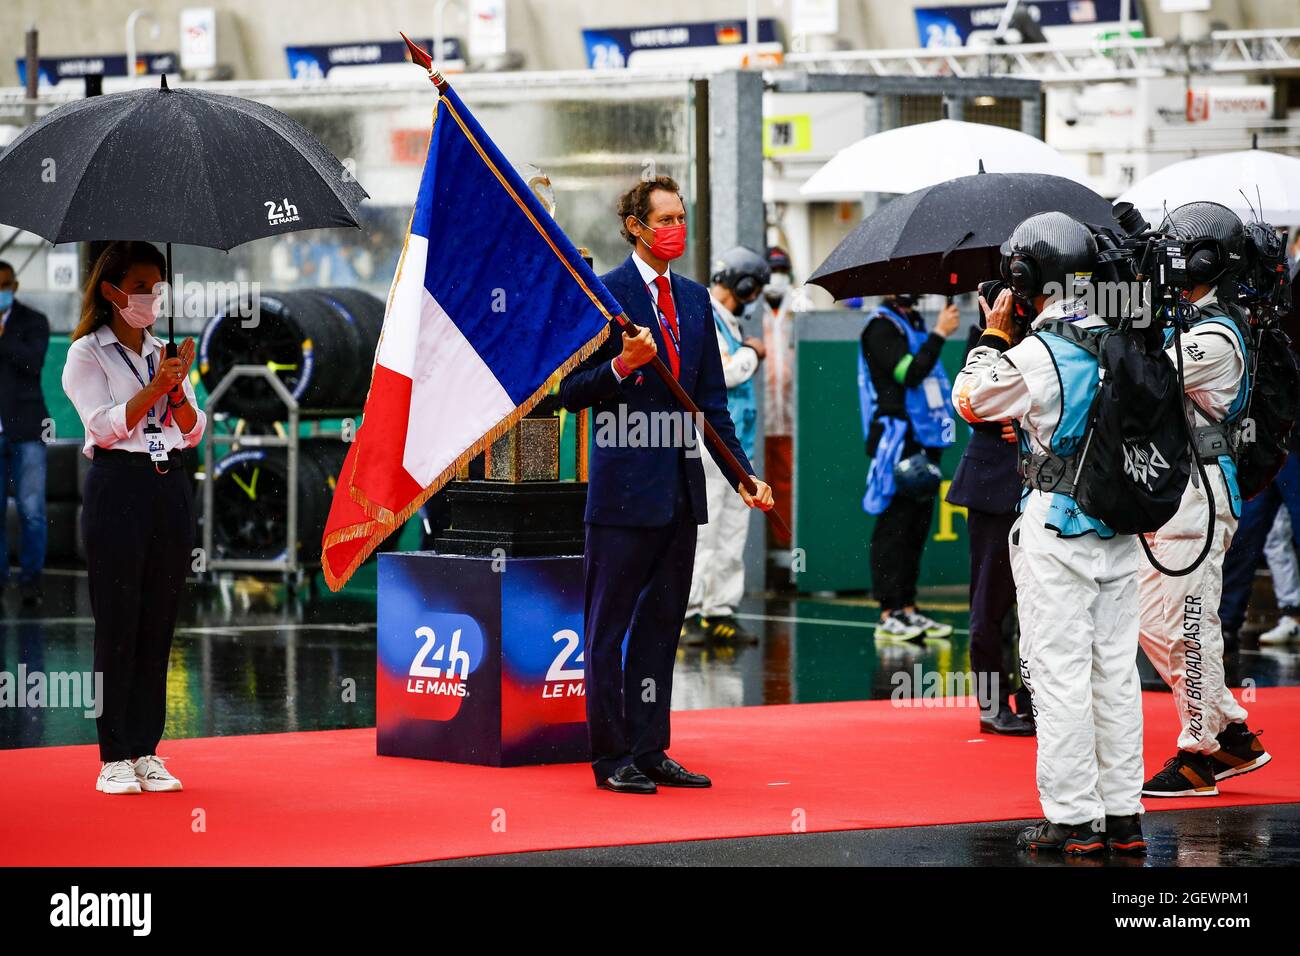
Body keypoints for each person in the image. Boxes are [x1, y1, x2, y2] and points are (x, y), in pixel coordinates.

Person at [559, 176, 774, 795]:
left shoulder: (694, 299)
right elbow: (570, 392)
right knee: (608, 632)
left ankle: (651, 748)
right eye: (664, 219)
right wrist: (622, 366)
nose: (675, 228)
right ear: (636, 226)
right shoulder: (605, 296)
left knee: (661, 627)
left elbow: (710, 402)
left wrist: (742, 475)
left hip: (681, 492)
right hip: (623, 494)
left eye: (681, 217)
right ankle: (611, 756)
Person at [953, 212, 1146, 855]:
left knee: (1058, 674)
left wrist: (990, 337)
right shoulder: (1129, 336)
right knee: (1115, 673)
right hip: (1122, 527)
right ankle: (1123, 814)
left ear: (1027, 275)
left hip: (1058, 528)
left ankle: (1070, 817)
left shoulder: (1039, 351)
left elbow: (971, 400)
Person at [1138, 202, 1272, 798]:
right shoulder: (1182, 319)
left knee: (1191, 627)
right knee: (1150, 624)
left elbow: (1139, 379)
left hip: (1200, 493)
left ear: (1205, 260)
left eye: (1174, 252)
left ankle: (1198, 754)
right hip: (1171, 493)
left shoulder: (1216, 333)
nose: (1164, 263)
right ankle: (1233, 733)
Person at [62, 241, 205, 796]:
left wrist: (176, 389)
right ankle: (113, 755)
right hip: (117, 487)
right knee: (117, 622)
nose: (150, 297)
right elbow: (102, 426)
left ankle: (148, 749)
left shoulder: (163, 350)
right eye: (141, 287)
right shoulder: (86, 354)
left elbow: (193, 430)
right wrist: (155, 388)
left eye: (157, 287)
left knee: (158, 622)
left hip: (168, 485)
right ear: (111, 291)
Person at [945, 325, 1034, 736]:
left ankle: (1033, 699)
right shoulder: (985, 338)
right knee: (990, 601)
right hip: (994, 485)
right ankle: (991, 702)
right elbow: (973, 404)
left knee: (1039, 606)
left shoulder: (1058, 329)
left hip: (1045, 487)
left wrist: (1027, 418)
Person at [859, 294, 958, 640]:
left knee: (917, 526)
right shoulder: (880, 328)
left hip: (924, 438)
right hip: (896, 439)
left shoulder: (913, 322)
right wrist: (940, 334)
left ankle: (908, 607)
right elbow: (910, 374)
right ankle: (889, 611)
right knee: (894, 525)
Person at [684, 246, 770, 645]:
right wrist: (752, 353)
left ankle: (720, 608)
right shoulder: (705, 315)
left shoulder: (728, 320)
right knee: (708, 527)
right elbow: (725, 372)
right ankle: (692, 611)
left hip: (738, 442)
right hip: (710, 442)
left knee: (733, 529)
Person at [0, 259, 50, 607]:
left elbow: (33, 363)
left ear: (14, 286)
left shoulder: (34, 321)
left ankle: (32, 580)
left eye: (4, 285)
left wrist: (2, 338)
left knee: (32, 509)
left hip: (28, 429)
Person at [762, 246, 796, 550]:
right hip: (759, 415)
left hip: (791, 414)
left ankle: (785, 544)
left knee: (788, 483)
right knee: (760, 482)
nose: (777, 277)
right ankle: (765, 547)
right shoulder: (751, 309)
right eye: (773, 270)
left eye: (782, 270)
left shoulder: (801, 307)